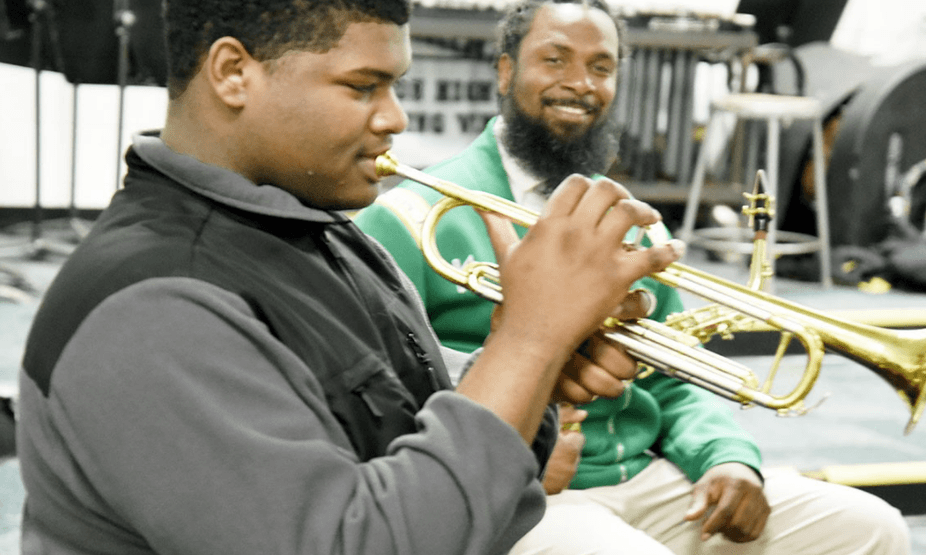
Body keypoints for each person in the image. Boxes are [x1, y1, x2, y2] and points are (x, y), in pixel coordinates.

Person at [15, 0, 683, 553]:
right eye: (363, 86)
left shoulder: (313, 231)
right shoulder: (153, 306)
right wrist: (528, 344)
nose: (395, 118)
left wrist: (532, 368)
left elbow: (437, 479)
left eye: (395, 86)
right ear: (232, 73)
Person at [354, 0, 913, 553]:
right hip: (527, 488)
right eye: (555, 60)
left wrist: (729, 457)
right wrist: (513, 443)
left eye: (601, 67)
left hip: (643, 476)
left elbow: (672, 376)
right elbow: (380, 391)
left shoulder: (633, 223)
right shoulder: (411, 215)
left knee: (871, 527)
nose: (580, 83)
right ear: (506, 71)